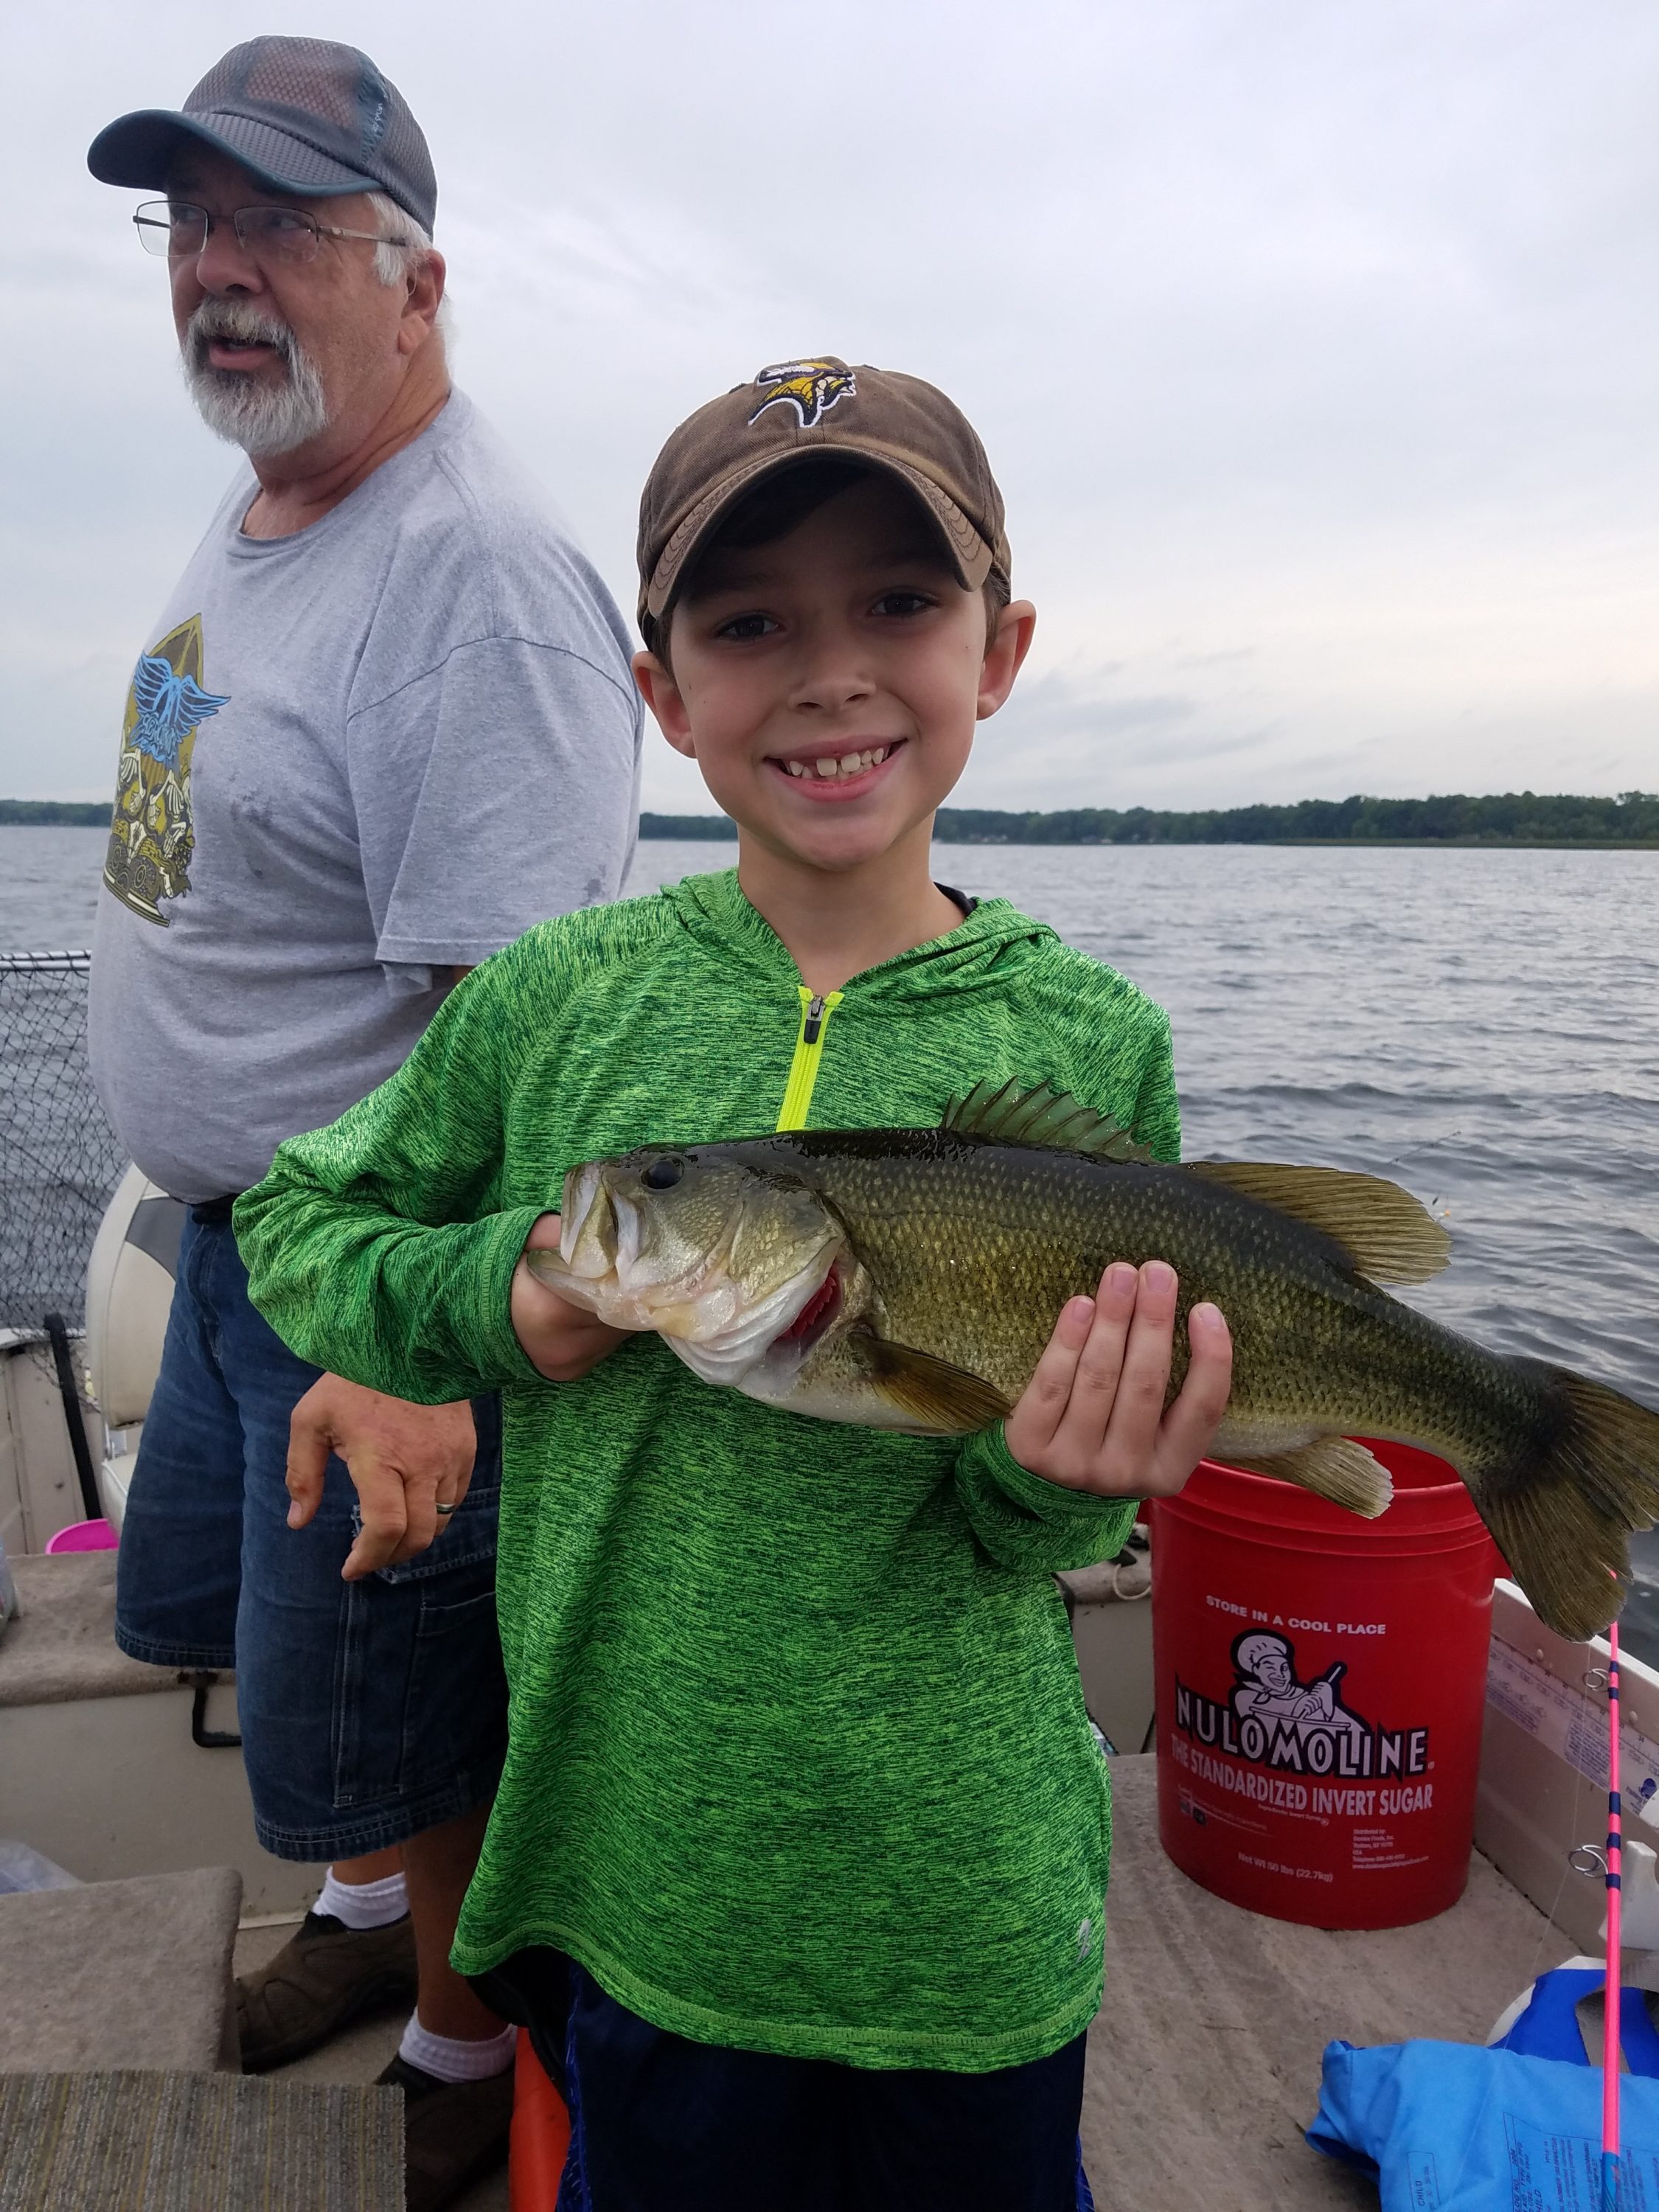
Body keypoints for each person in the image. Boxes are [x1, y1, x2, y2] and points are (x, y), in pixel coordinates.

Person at [235, 356, 1234, 2210]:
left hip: (967, 1910)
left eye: (900, 604)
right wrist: (499, 1307)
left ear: (999, 651)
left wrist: (1060, 1482)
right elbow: (300, 1224)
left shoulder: (1092, 1040)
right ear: (661, 695)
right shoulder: (558, 1001)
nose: (832, 670)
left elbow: (1023, 1537)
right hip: (642, 1884)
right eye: (751, 620)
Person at [83, 37, 641, 2211]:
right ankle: (351, 1922)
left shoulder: (478, 578)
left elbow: (511, 1048)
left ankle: (457, 2040)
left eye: (282, 229)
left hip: (363, 1282)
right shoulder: (259, 490)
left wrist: (403, 1340)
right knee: (290, 1669)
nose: (221, 274)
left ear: (414, 278)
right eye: (191, 224)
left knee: (409, 1689)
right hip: (219, 1236)